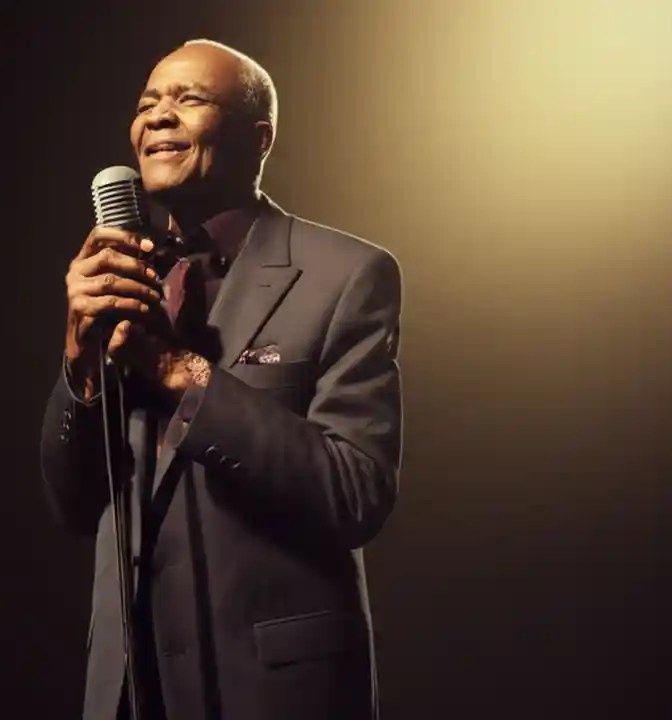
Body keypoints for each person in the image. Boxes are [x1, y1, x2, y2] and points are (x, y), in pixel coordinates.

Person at [40, 38, 402, 720]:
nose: (158, 116)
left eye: (190, 99)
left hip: (270, 693)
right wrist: (80, 362)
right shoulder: (122, 278)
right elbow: (73, 505)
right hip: (129, 693)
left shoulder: (346, 274)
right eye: (147, 103)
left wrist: (176, 370)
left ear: (259, 138)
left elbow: (356, 492)